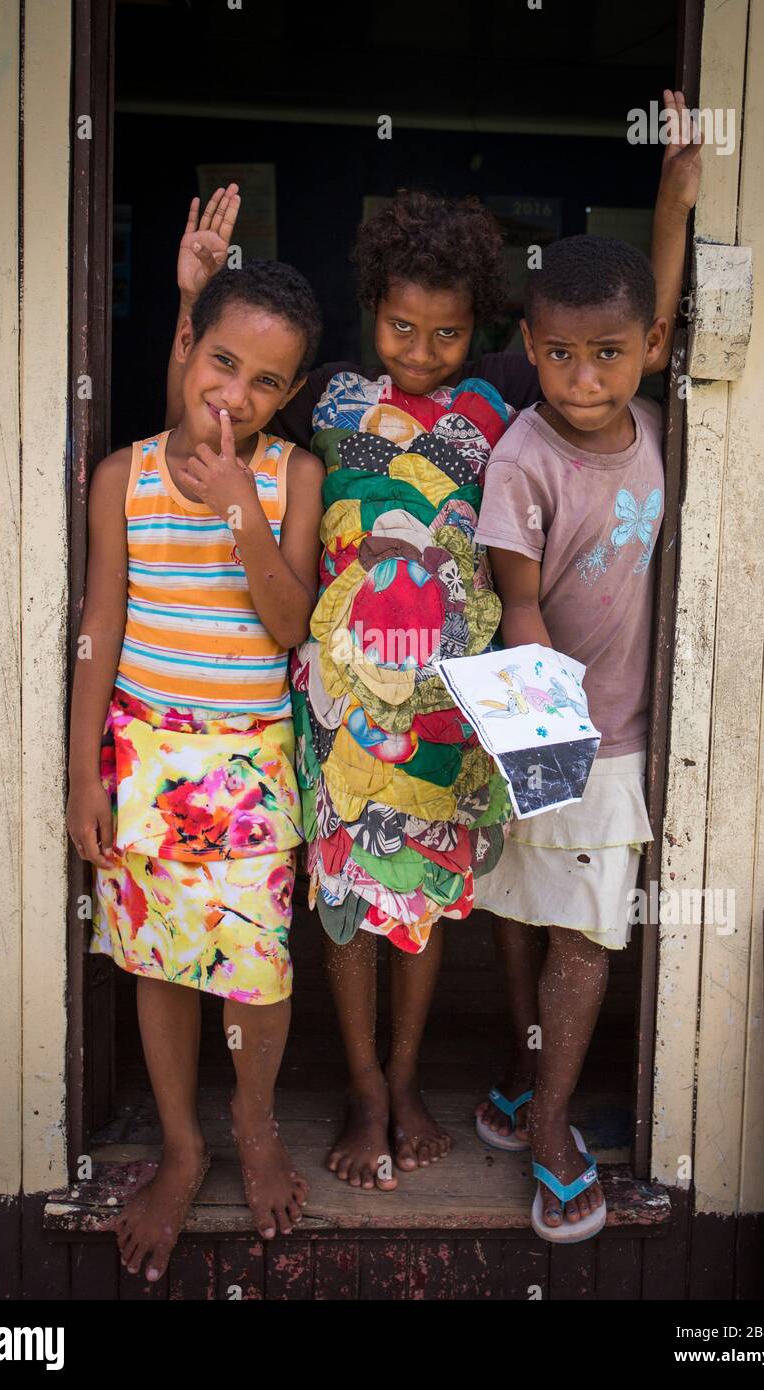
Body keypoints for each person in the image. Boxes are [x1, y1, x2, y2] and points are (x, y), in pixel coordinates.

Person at [162, 90, 699, 1194]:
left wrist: (672, 201)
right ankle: (363, 1085)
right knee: (349, 906)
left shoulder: (504, 401)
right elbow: (211, 407)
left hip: (455, 710)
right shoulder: (328, 402)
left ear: (485, 332)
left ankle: (407, 1078)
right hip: (340, 703)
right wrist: (189, 302)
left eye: (446, 332)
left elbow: (634, 338)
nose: (420, 351)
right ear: (371, 313)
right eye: (402, 327)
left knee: (427, 905)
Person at [67, 260, 325, 1279]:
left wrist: (240, 513)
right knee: (156, 963)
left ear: (293, 394)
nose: (235, 396)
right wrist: (84, 773)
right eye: (222, 361)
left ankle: (251, 1121)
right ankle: (182, 1145)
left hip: (250, 763)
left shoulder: (291, 477)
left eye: (265, 381)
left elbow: (289, 621)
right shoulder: (119, 477)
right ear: (187, 347)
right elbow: (101, 624)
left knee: (255, 973)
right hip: (141, 755)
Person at [472, 233, 670, 1241]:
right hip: (545, 724)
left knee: (583, 933)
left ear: (648, 348)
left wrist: (675, 196)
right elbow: (518, 606)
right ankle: (538, 1101)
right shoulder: (519, 457)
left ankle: (537, 1109)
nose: (582, 378)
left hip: (626, 736)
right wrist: (546, 741)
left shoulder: (659, 425)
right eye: (559, 355)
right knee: (521, 905)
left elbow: (654, 300)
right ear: (529, 343)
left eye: (607, 354)